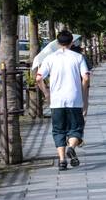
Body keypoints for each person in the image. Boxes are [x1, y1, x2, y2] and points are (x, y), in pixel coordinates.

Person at [34, 29, 90, 172]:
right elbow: (86, 77)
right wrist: (84, 95)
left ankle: (62, 160)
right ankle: (71, 148)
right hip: (74, 98)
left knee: (58, 130)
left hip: (56, 100)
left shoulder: (50, 58)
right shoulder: (78, 57)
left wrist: (46, 93)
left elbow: (38, 78)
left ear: (58, 43)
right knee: (76, 127)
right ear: (72, 42)